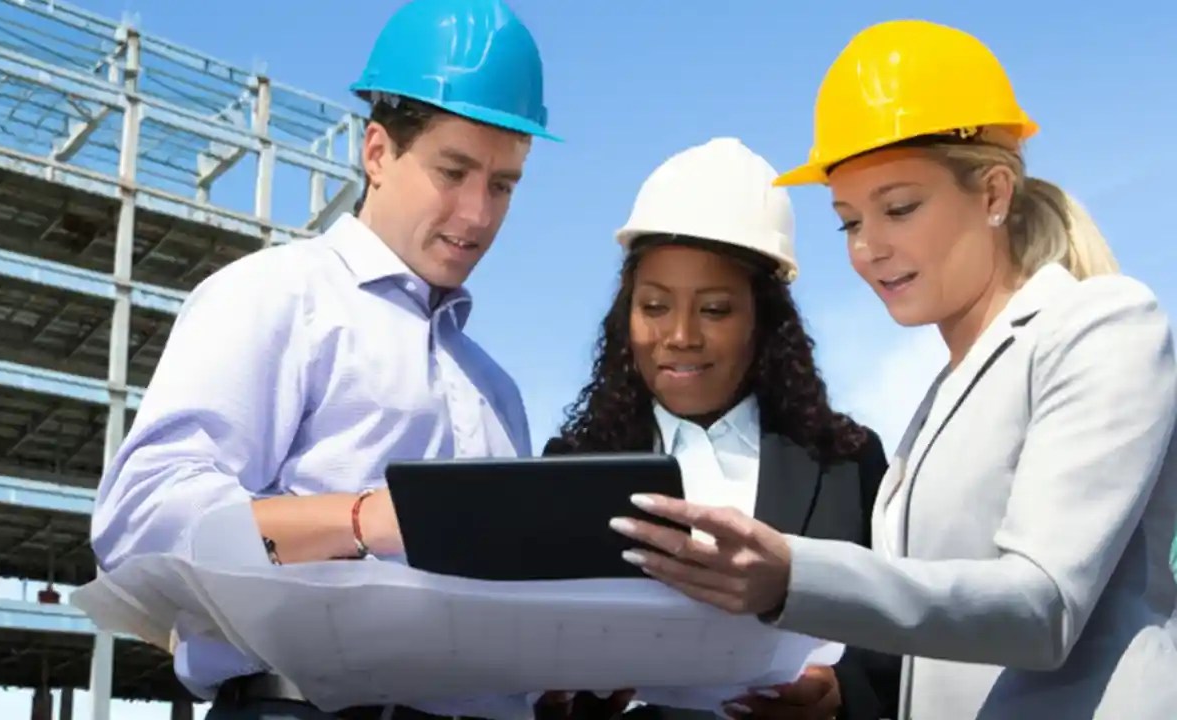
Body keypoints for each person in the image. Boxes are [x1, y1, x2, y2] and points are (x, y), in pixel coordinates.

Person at [609, 19, 1177, 720]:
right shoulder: (941, 401)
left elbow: (1044, 605)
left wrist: (792, 577)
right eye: (848, 222)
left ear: (995, 194)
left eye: (899, 209)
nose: (869, 249)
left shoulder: (1104, 325)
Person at [89, 1, 566, 718]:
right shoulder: (275, 296)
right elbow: (141, 521)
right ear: (377, 152)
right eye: (453, 171)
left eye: (502, 185)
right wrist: (362, 519)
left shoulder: (495, 391)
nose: (478, 215)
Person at [545, 137, 900, 720]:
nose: (680, 335)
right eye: (655, 306)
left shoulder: (847, 464)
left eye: (714, 309)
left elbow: (899, 645)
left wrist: (839, 697)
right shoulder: (567, 468)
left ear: (765, 320)